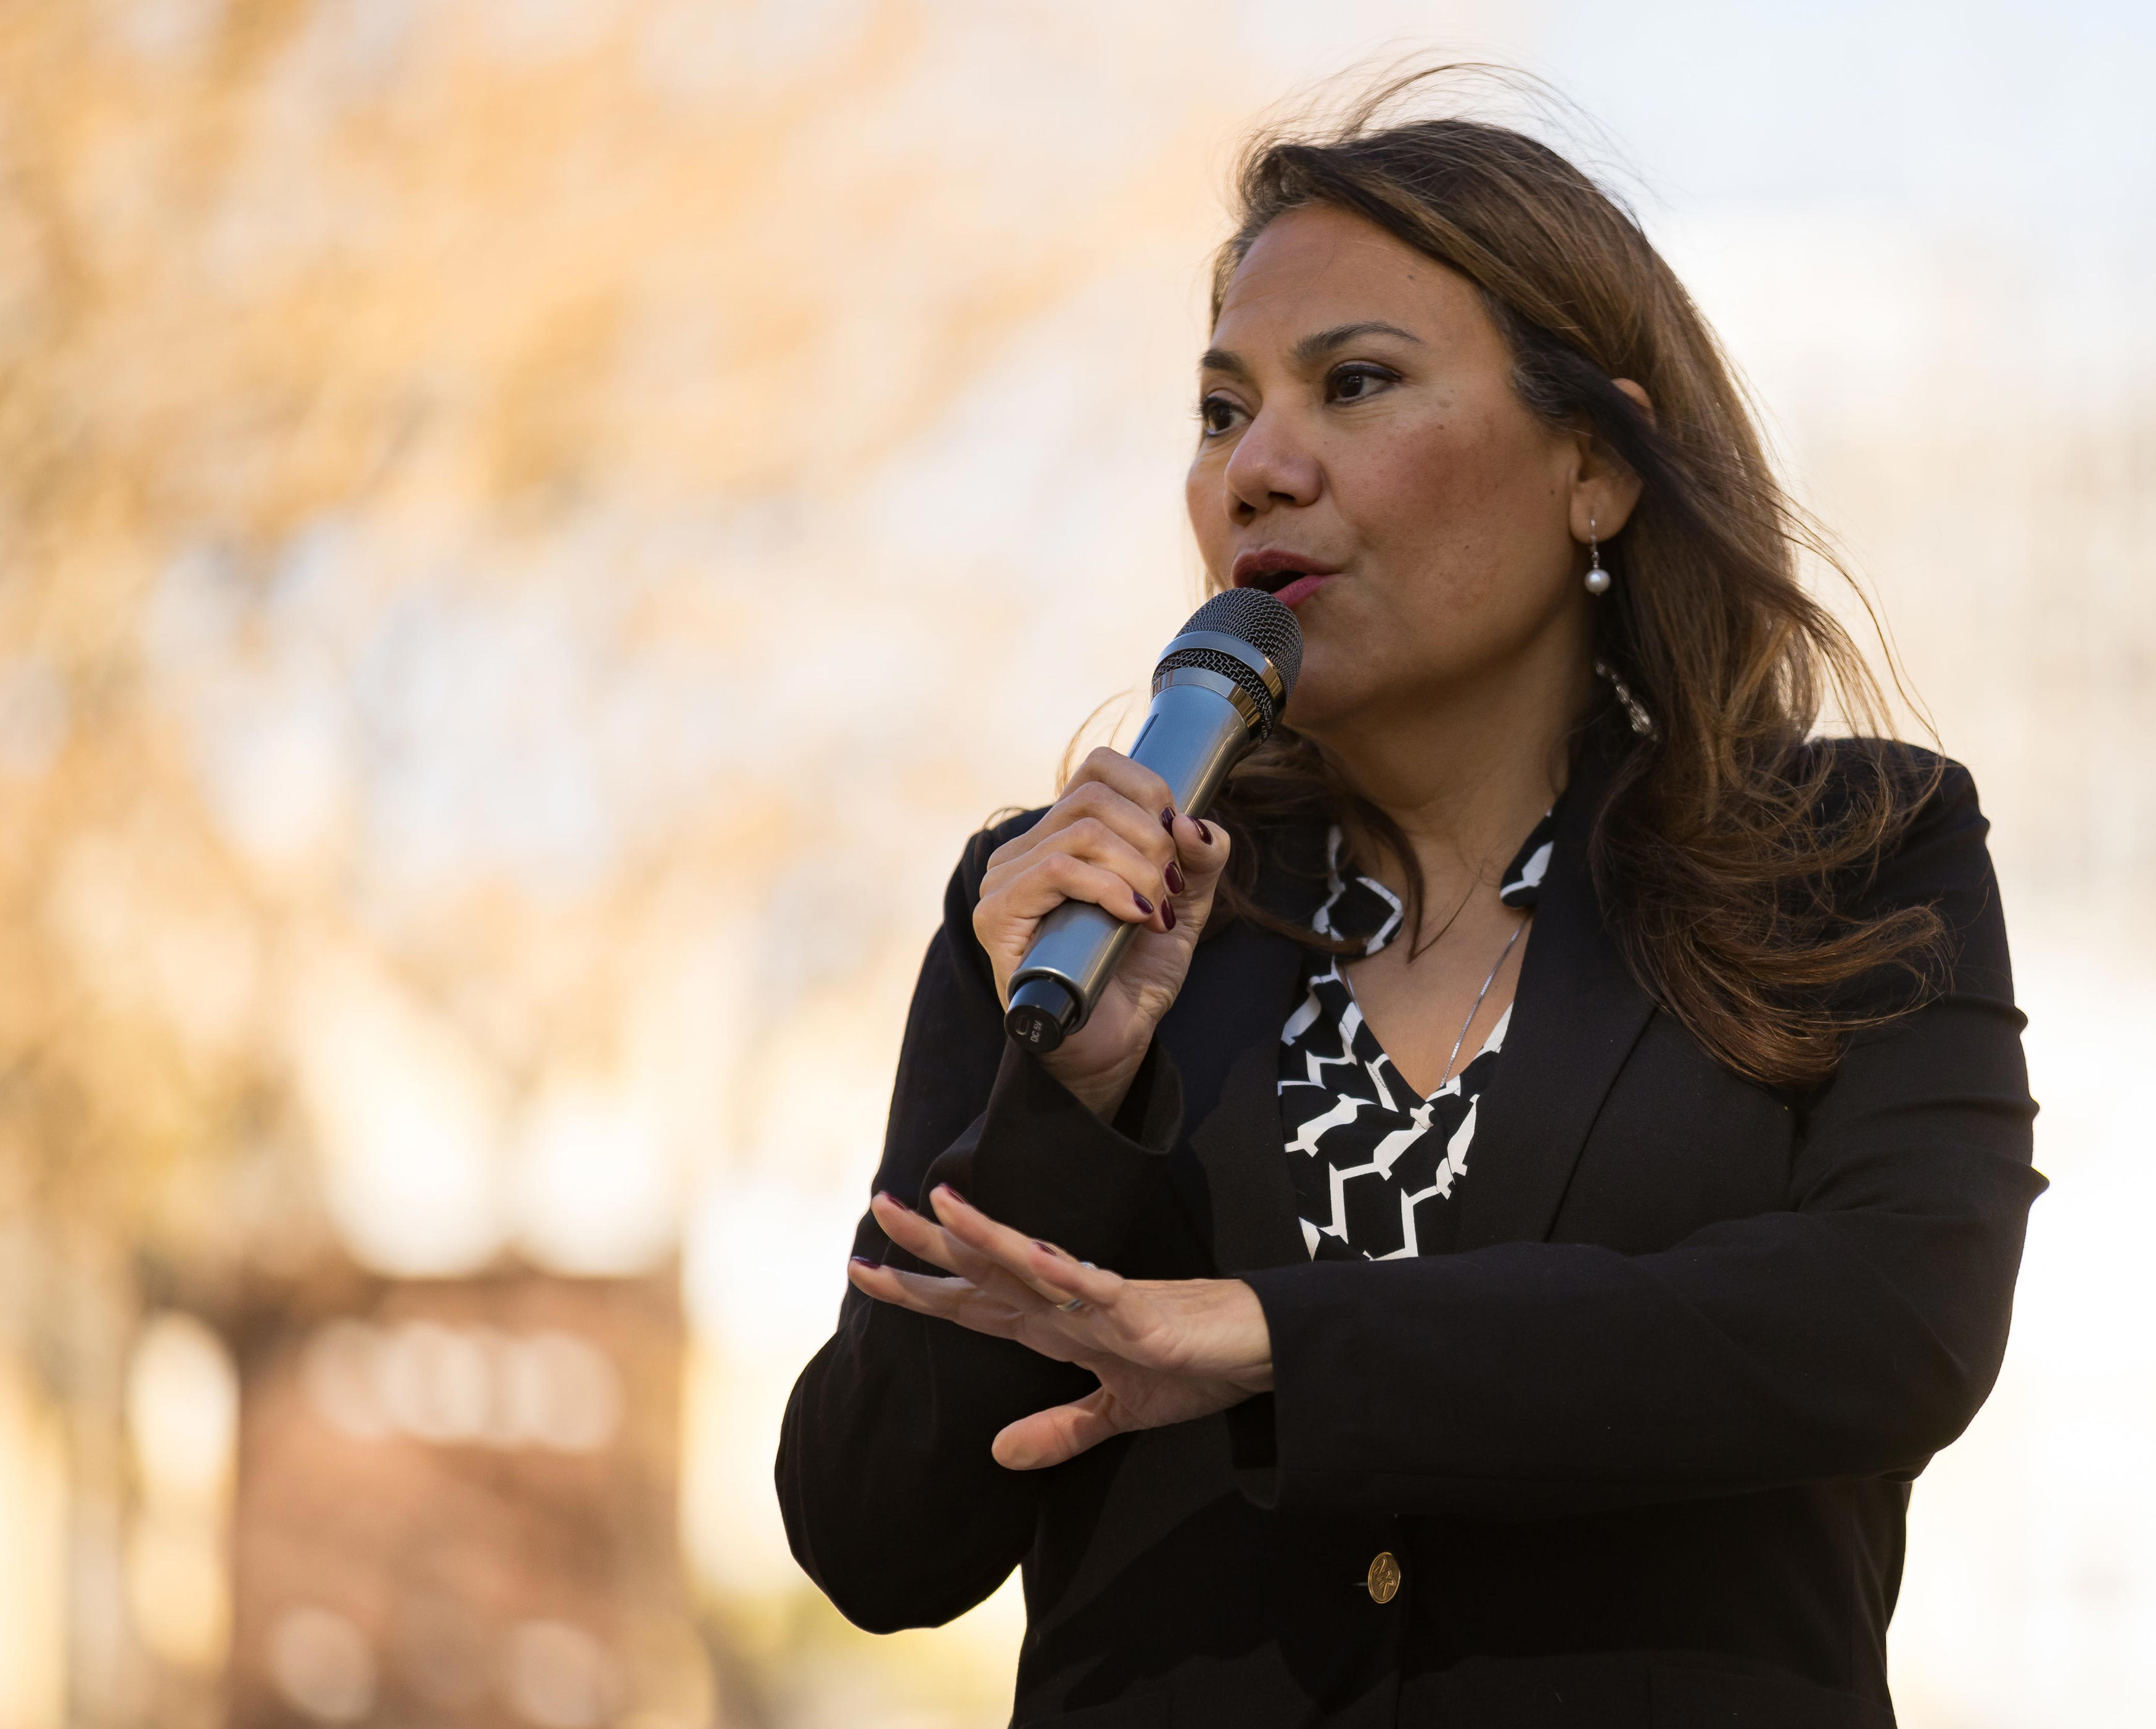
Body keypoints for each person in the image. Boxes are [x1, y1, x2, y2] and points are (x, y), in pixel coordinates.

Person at [778, 73, 2042, 1729]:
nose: (1257, 470)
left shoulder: (1848, 854)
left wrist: (1277, 1339)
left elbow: (1891, 1326)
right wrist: (1059, 1104)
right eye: (1220, 411)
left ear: (1595, 466)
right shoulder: (1070, 908)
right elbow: (877, 1535)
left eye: (1356, 383)